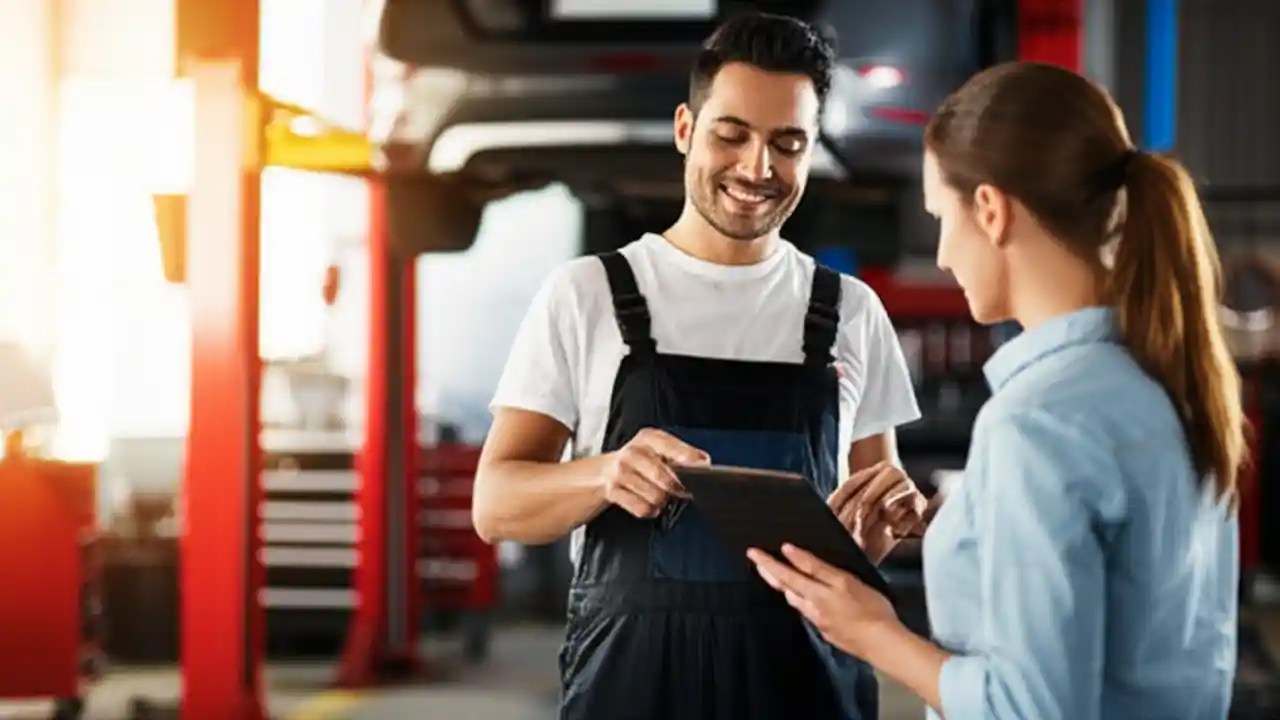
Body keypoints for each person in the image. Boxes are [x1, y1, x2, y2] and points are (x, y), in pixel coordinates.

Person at [749, 60, 1245, 720]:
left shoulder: (1038, 421)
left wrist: (867, 629)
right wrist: (969, 521)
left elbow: (1030, 708)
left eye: (940, 217)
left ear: (990, 209)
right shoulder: (1164, 385)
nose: (945, 254)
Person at [473, 12, 927, 720]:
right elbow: (496, 506)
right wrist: (605, 472)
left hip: (803, 687)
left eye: (788, 144)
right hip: (632, 687)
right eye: (733, 135)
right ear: (686, 129)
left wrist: (883, 527)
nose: (758, 169)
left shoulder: (851, 312)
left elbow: (868, 522)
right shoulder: (589, 295)